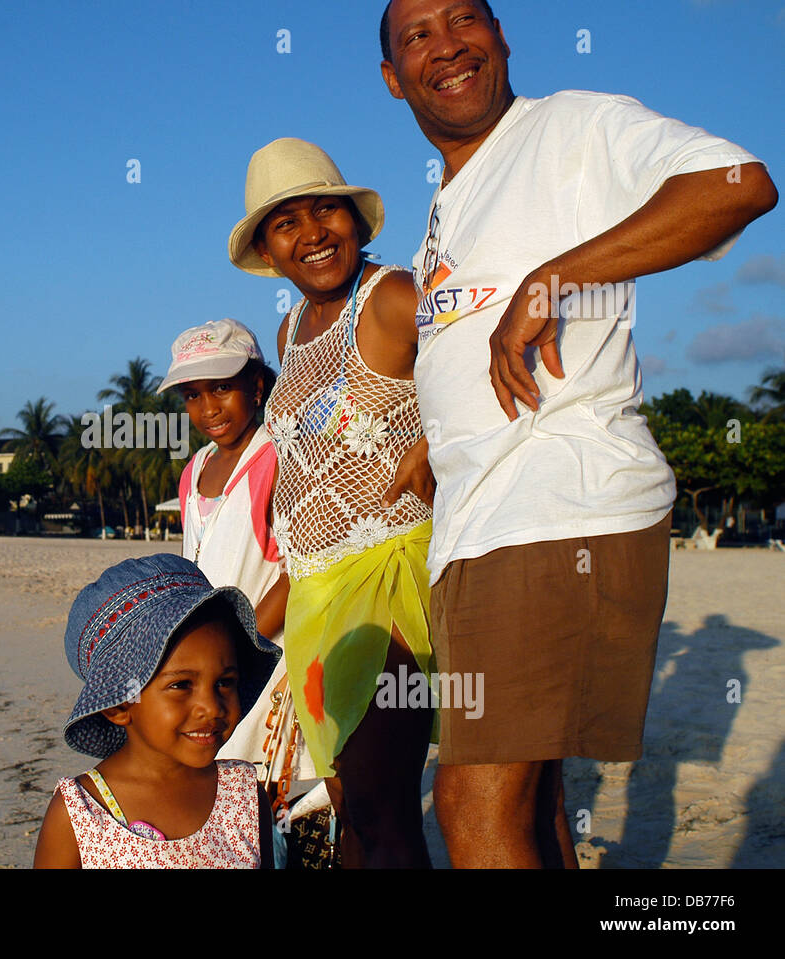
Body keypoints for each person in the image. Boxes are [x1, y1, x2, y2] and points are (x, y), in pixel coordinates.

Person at [378, 0, 777, 867]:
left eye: (462, 20)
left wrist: (554, 278)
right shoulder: (448, 202)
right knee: (533, 801)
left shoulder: (569, 126)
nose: (446, 46)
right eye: (417, 36)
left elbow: (739, 182)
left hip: (558, 504)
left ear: (502, 37)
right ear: (392, 78)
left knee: (471, 802)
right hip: (480, 522)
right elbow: (469, 343)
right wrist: (439, 437)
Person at [228, 137, 438, 867]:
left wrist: (438, 439)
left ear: (355, 220)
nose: (313, 233)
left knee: (385, 809)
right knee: (350, 809)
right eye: (287, 223)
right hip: (314, 597)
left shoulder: (395, 296)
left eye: (326, 211)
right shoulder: (290, 331)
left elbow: (489, 362)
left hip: (389, 580)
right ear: (267, 249)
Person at [156, 317, 331, 853]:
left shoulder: (277, 456)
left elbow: (298, 570)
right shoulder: (195, 470)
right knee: (224, 790)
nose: (208, 407)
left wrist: (239, 639)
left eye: (222, 388)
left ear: (257, 385)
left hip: (269, 660)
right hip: (212, 662)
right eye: (193, 395)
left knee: (272, 791)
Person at [33, 554, 282, 868]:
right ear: (119, 703)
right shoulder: (83, 813)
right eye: (181, 685)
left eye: (224, 682)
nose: (210, 707)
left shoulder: (244, 797)